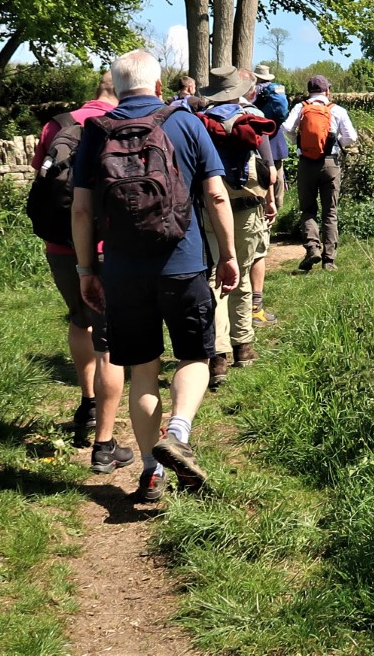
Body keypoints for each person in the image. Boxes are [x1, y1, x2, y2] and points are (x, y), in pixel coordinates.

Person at [71, 50, 239, 502]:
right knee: (194, 358)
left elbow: (83, 208)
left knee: (142, 373)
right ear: (160, 86)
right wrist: (228, 255)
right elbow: (216, 197)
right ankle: (179, 433)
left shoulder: (96, 131)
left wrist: (88, 270)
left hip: (123, 272)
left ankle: (150, 474)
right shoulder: (185, 123)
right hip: (183, 267)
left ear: (117, 88)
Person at [29, 72, 132, 474]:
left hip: (60, 245)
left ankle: (87, 403)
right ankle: (104, 441)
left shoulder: (60, 123)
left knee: (79, 321)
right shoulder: (121, 124)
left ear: (96, 90)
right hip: (108, 247)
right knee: (110, 339)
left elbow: (41, 174)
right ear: (120, 92)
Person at [197, 66, 279, 384]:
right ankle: (243, 347)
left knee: (216, 277)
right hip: (247, 208)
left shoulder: (200, 122)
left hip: (211, 207)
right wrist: (269, 198)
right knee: (242, 273)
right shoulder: (252, 116)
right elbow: (269, 169)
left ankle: (216, 357)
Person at [282, 74, 358, 273]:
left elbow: (286, 127)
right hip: (330, 163)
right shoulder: (337, 110)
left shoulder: (301, 107)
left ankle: (312, 249)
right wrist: (336, 142)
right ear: (327, 90)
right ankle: (329, 260)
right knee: (330, 212)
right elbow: (352, 137)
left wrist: (297, 142)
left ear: (309, 91)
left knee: (308, 209)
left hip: (307, 163)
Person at [252, 64, 290, 212]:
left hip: (261, 137)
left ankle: (262, 207)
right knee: (278, 176)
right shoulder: (275, 91)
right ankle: (278, 205)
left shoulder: (255, 91)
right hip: (277, 139)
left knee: (260, 175)